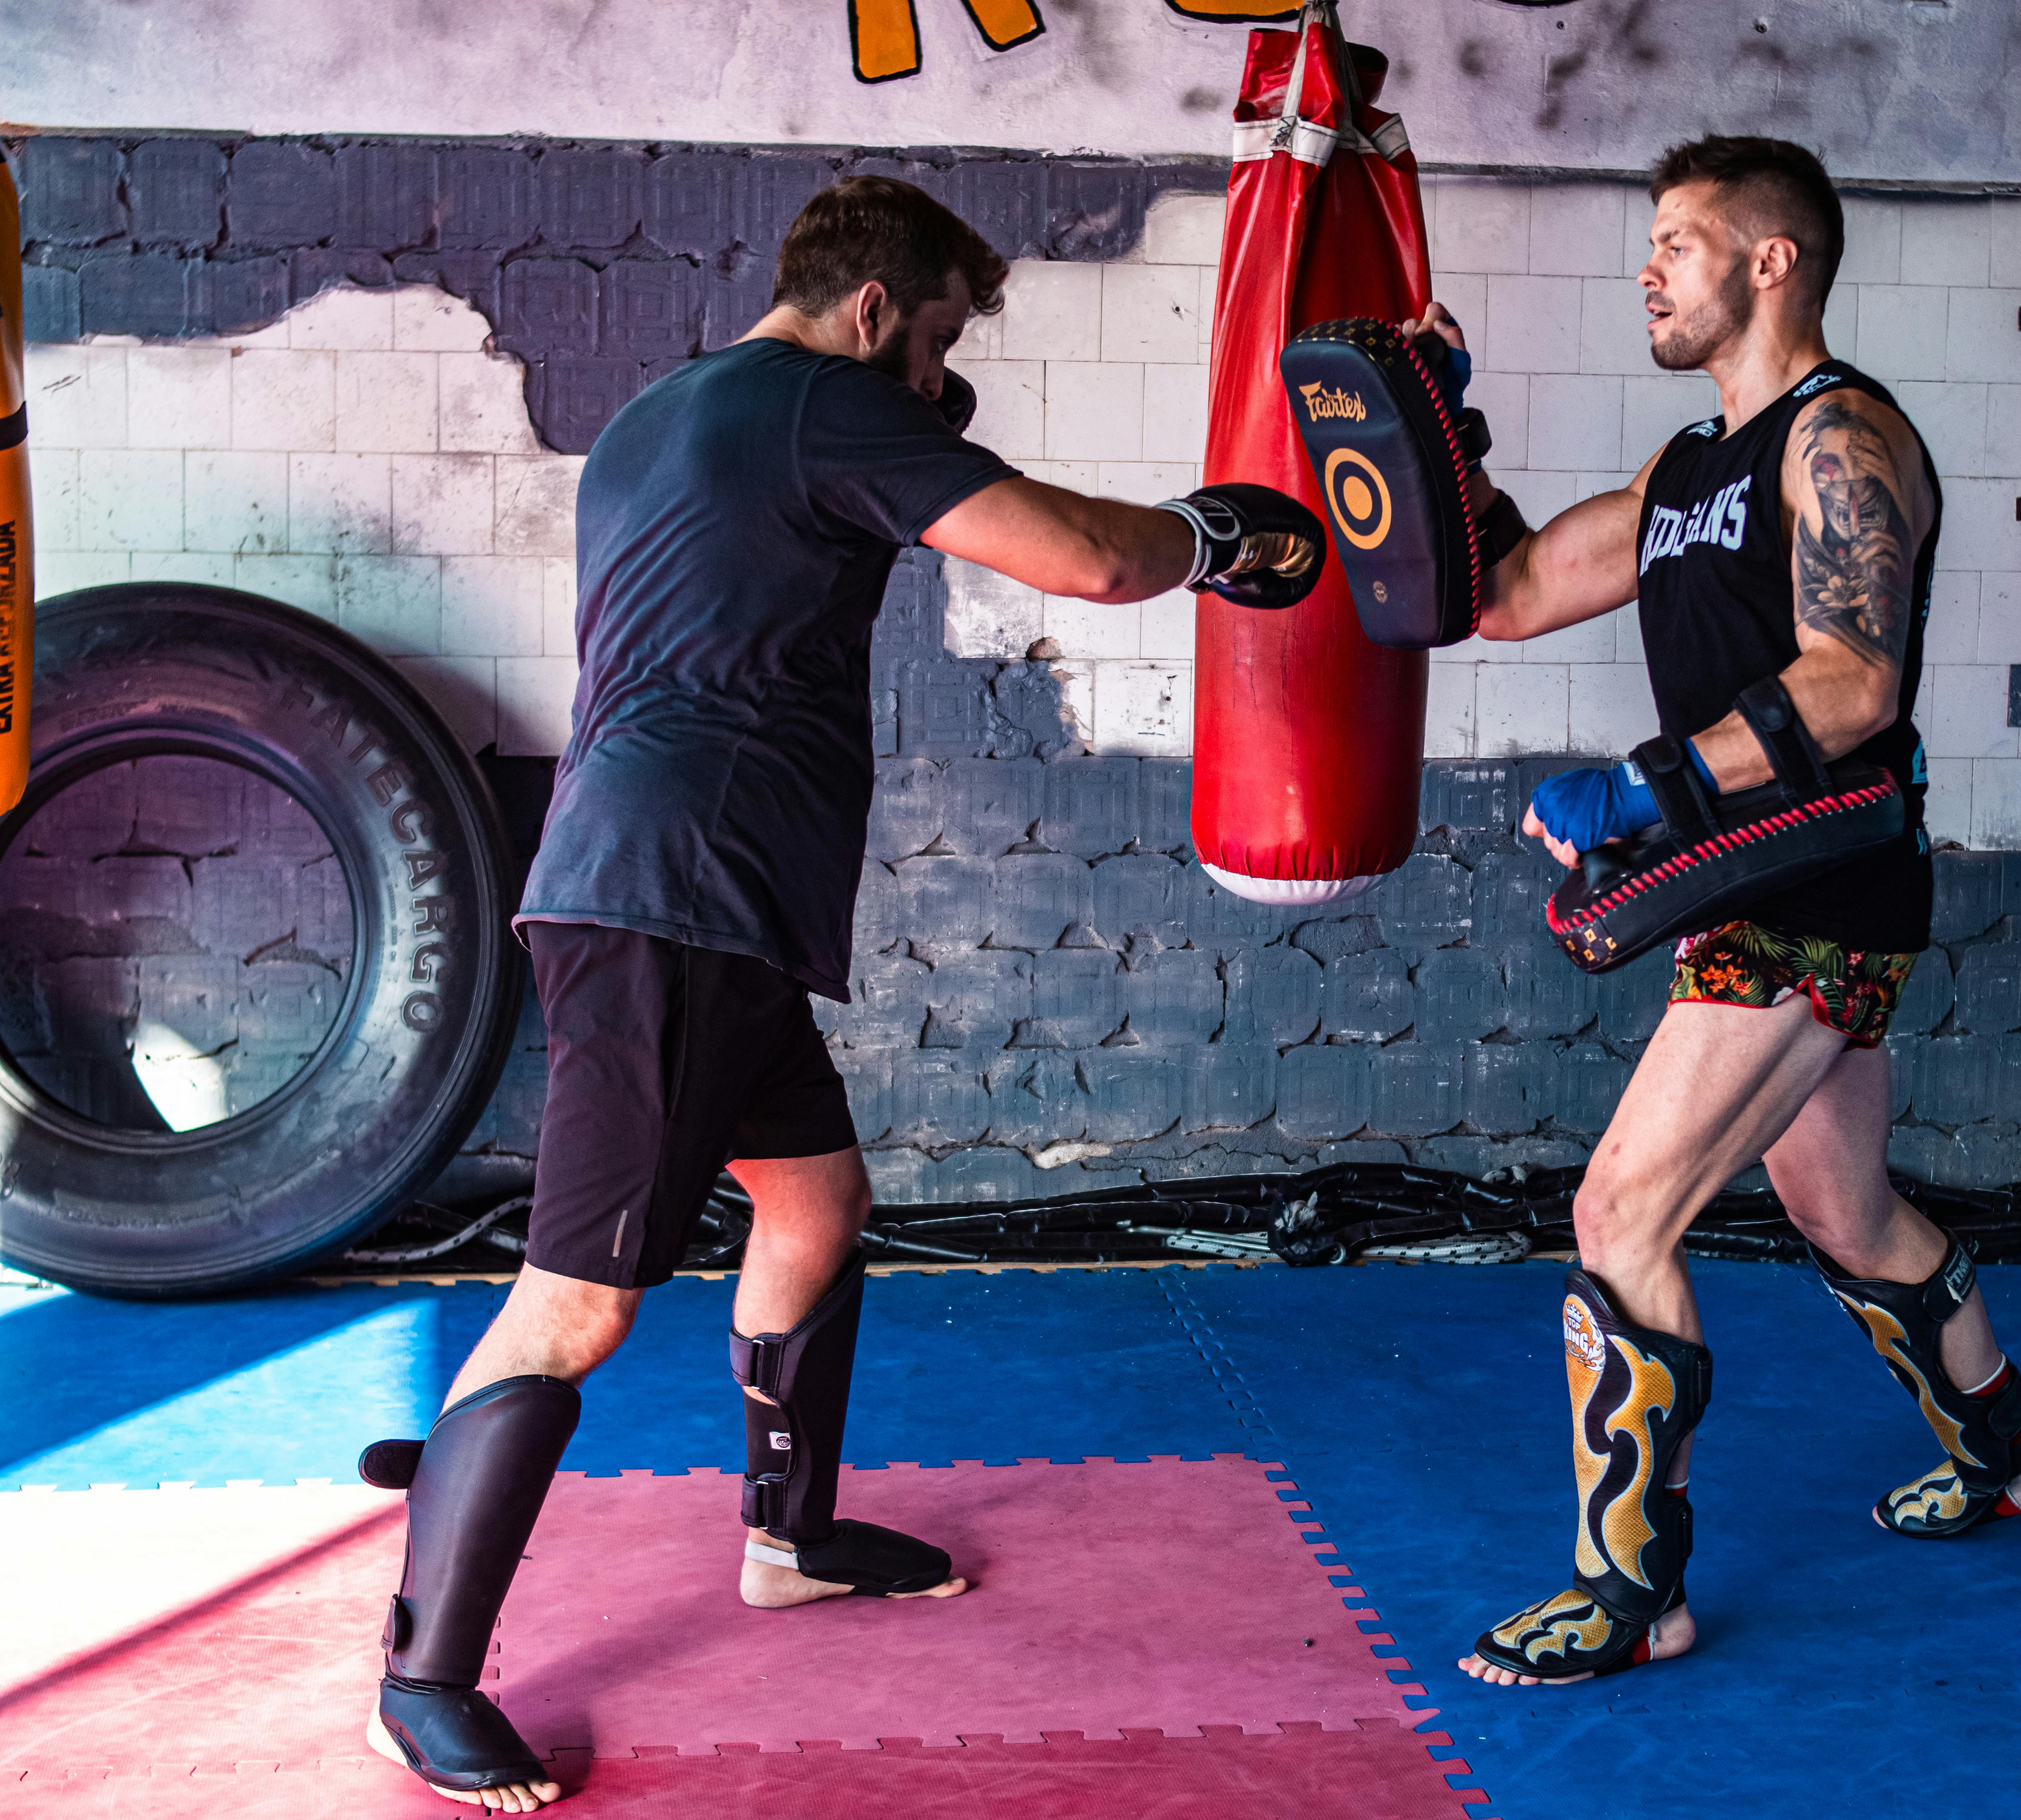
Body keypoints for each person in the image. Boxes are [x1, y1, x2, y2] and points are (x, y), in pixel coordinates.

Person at [358, 174, 1323, 1811]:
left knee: (814, 1207)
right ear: (873, 309)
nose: (944, 375)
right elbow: (1085, 558)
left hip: (691, 896)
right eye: (937, 337)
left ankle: (788, 1541)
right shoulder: (818, 406)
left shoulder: (671, 410)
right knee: (577, 1302)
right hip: (675, 905)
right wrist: (1225, 535)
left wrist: (928, 417)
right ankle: (423, 1675)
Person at [1439, 136, 2021, 1689]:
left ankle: (1629, 1593)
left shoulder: (1839, 437)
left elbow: (1855, 680)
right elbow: (1507, 590)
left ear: (1773, 260)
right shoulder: (1685, 471)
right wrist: (1434, 439)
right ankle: (2018, 1460)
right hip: (1767, 884)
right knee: (1841, 1209)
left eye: (1679, 239)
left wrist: (1650, 785)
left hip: (1816, 889)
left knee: (1620, 1217)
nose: (1649, 268)